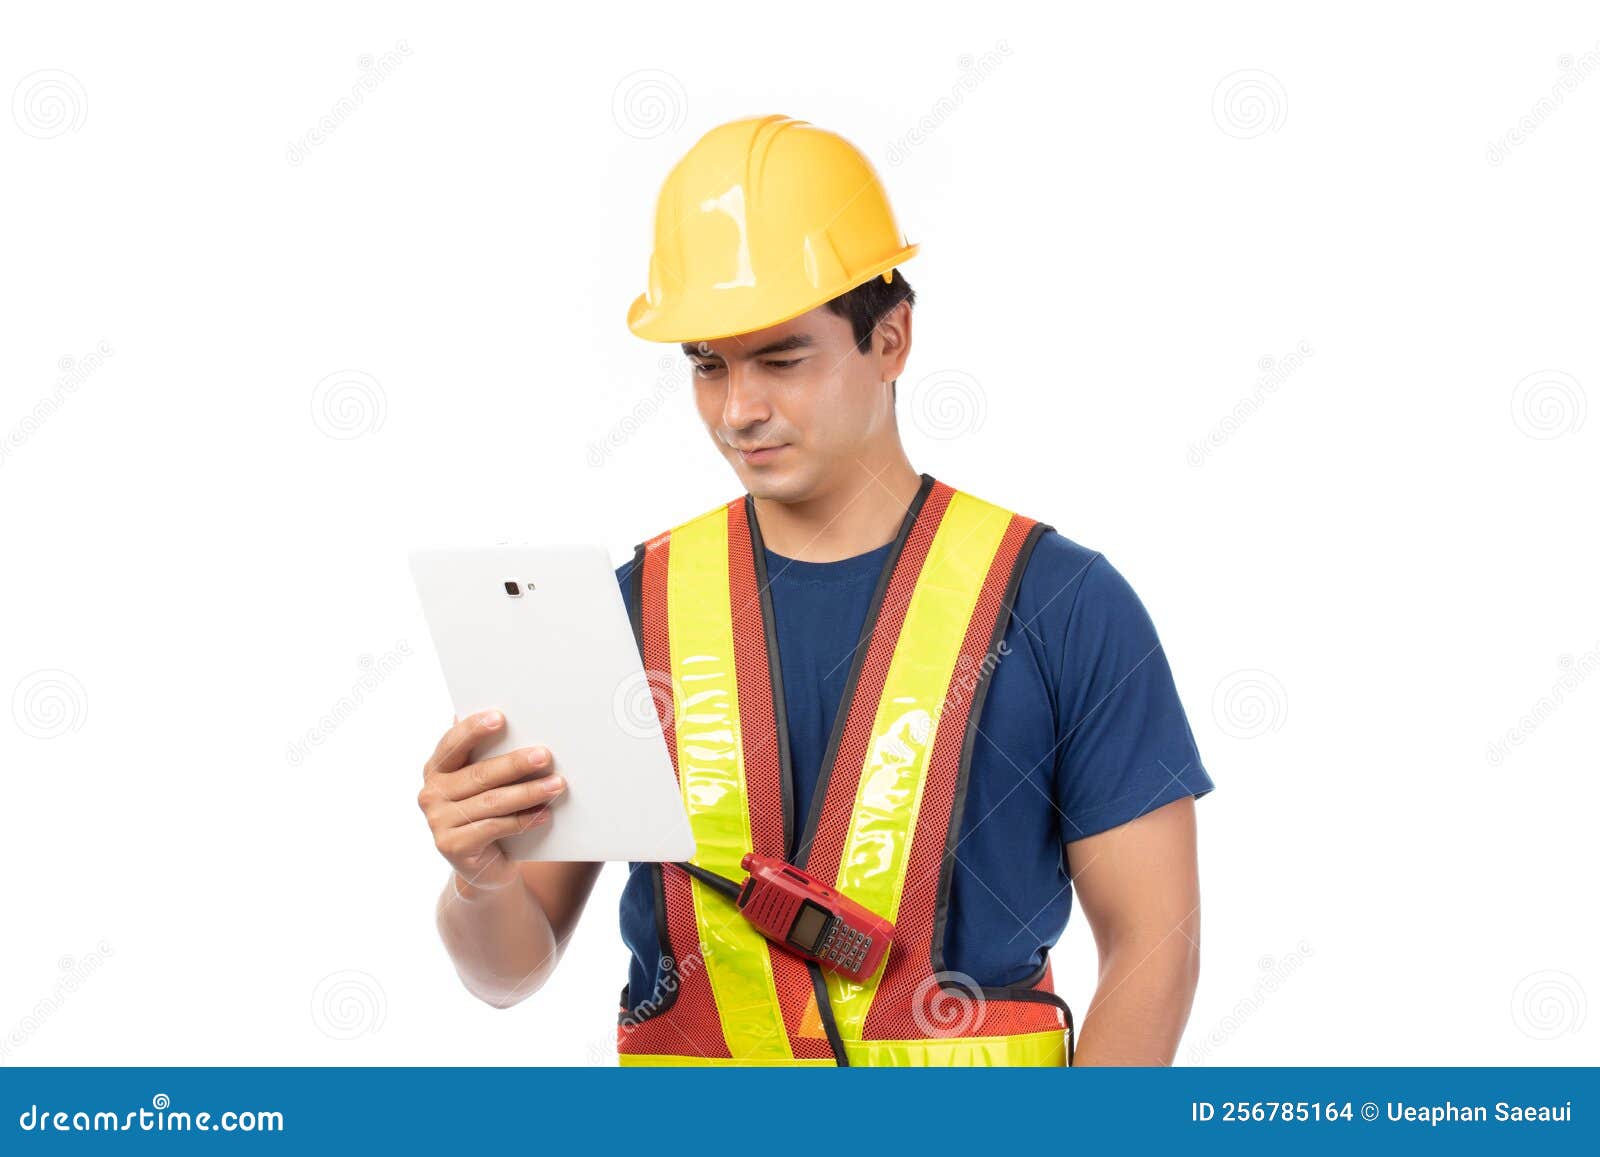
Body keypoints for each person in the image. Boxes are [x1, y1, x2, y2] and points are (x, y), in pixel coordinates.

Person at [417, 115, 1212, 1066]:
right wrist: (477, 879)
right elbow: (509, 971)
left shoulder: (1064, 604)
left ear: (891, 338)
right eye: (708, 365)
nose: (739, 408)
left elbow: (1155, 947)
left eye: (781, 359)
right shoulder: (630, 610)